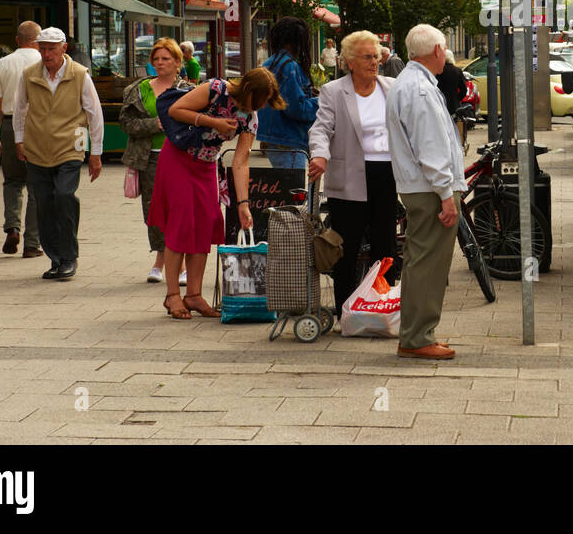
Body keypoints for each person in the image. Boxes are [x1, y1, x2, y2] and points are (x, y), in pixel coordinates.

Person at [150, 68, 283, 319]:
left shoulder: (250, 118)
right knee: (181, 223)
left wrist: (243, 204)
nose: (262, 106)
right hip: (178, 159)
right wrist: (213, 122)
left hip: (206, 165)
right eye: (261, 99)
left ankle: (193, 295)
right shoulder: (216, 89)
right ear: (248, 90)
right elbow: (175, 110)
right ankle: (172, 296)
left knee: (205, 222)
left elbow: (241, 161)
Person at [386, 24, 468, 360]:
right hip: (429, 189)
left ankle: (418, 333)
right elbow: (432, 148)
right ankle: (417, 337)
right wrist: (446, 195)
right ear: (435, 50)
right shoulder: (419, 89)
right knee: (428, 263)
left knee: (423, 261)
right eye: (444, 48)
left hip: (422, 186)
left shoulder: (412, 83)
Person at [307, 30, 398, 327]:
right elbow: (321, 128)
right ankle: (346, 310)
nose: (375, 62)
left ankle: (383, 308)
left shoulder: (392, 88)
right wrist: (319, 154)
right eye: (367, 57)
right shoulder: (334, 91)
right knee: (345, 247)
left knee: (386, 245)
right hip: (349, 177)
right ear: (349, 61)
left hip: (386, 174)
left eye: (376, 56)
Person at [13, 27, 104, 281]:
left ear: (64, 48)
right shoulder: (29, 75)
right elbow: (20, 110)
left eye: (51, 48)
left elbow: (95, 114)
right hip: (38, 148)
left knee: (63, 196)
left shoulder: (79, 75)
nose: (46, 53)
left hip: (69, 147)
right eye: (42, 48)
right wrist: (19, 140)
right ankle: (56, 259)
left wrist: (95, 153)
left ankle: (69, 256)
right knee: (44, 203)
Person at [119, 37, 187, 284]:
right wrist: (154, 124)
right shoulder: (139, 90)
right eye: (156, 59)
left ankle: (180, 264)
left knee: (179, 209)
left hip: (180, 158)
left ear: (177, 62)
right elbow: (126, 123)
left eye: (165, 59)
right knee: (154, 210)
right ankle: (160, 260)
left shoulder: (188, 90)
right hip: (149, 159)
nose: (160, 63)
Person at [0, 20, 43, 258]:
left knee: (12, 181)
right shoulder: (43, 62)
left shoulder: (2, 63)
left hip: (10, 126)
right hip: (38, 127)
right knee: (36, 186)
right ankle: (32, 244)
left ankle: (13, 227)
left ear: (17, 40)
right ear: (39, 42)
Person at [257, 16, 321, 169]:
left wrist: (308, 93)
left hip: (278, 138)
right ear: (297, 41)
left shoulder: (272, 62)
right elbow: (296, 108)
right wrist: (322, 100)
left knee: (287, 189)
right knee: (293, 190)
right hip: (288, 141)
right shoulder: (288, 66)